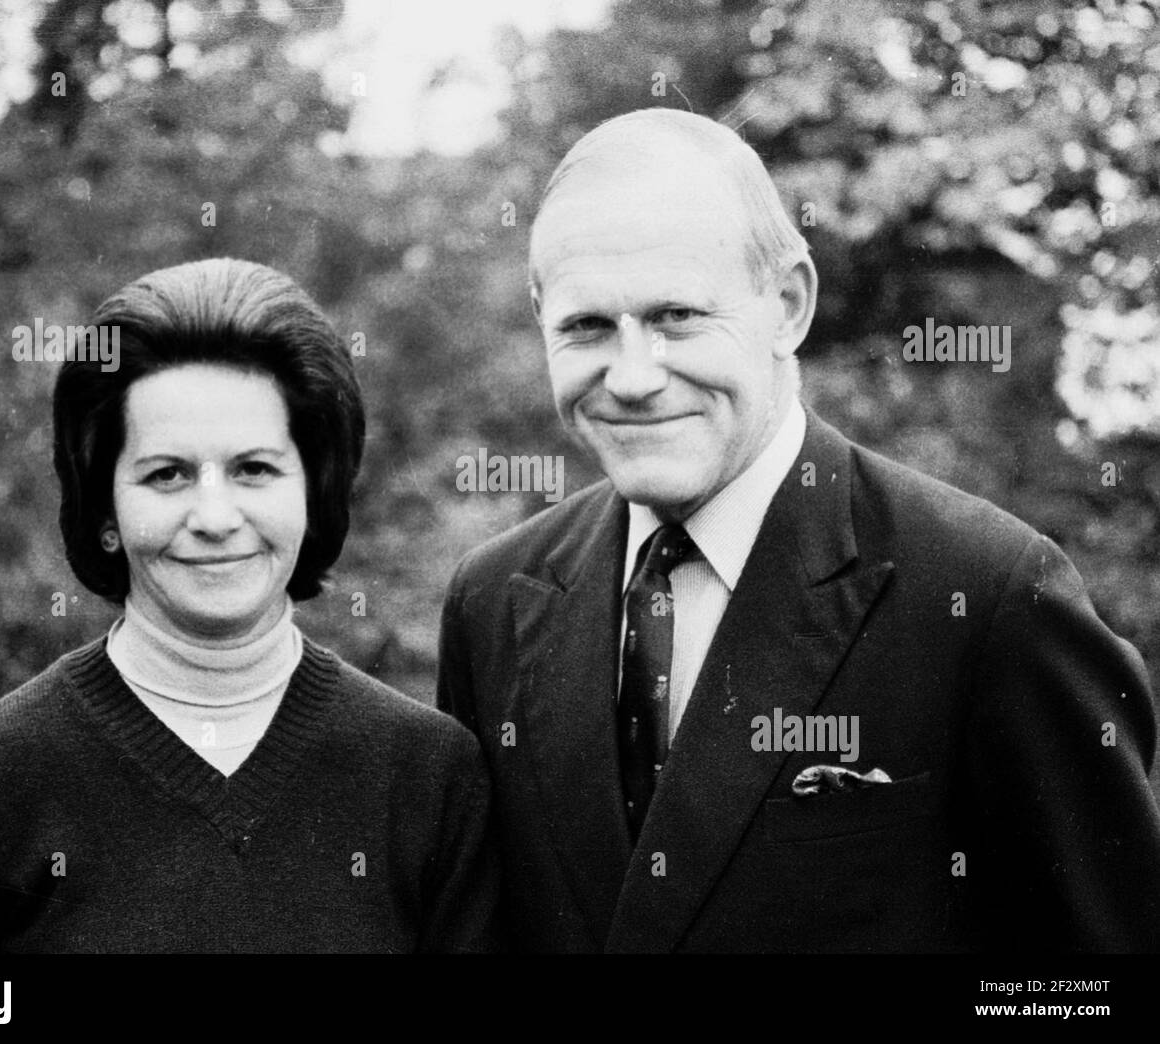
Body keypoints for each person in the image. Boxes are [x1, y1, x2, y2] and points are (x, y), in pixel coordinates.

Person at [437, 108, 1160, 953]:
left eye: (676, 316)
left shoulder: (984, 594)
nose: (632, 377)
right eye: (586, 328)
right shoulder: (491, 602)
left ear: (787, 306)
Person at [0, 258, 498, 953]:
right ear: (104, 506)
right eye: (167, 475)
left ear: (314, 490)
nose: (215, 516)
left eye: (254, 469)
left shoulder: (427, 777)